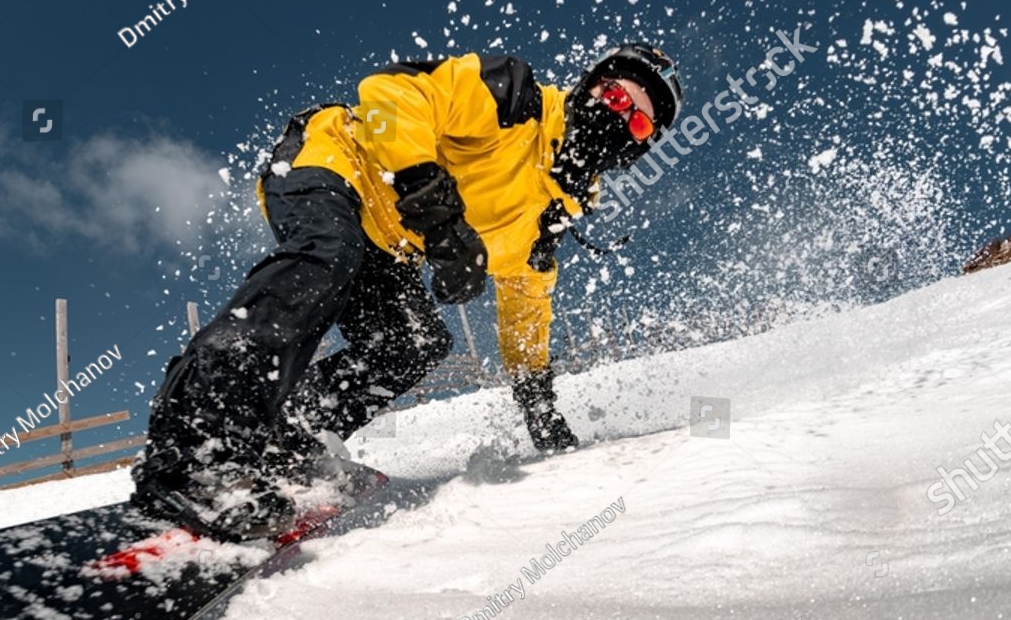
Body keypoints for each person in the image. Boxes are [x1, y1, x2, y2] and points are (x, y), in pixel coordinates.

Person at [134, 43, 683, 540]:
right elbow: (391, 93)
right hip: (334, 158)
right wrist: (435, 208)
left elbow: (525, 313)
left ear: (639, 148)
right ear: (590, 84)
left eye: (635, 123)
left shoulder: (547, 222)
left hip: (383, 239)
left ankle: (289, 436)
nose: (616, 116)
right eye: (613, 95)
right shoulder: (515, 97)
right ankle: (196, 443)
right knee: (328, 255)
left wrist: (537, 403)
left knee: (415, 340)